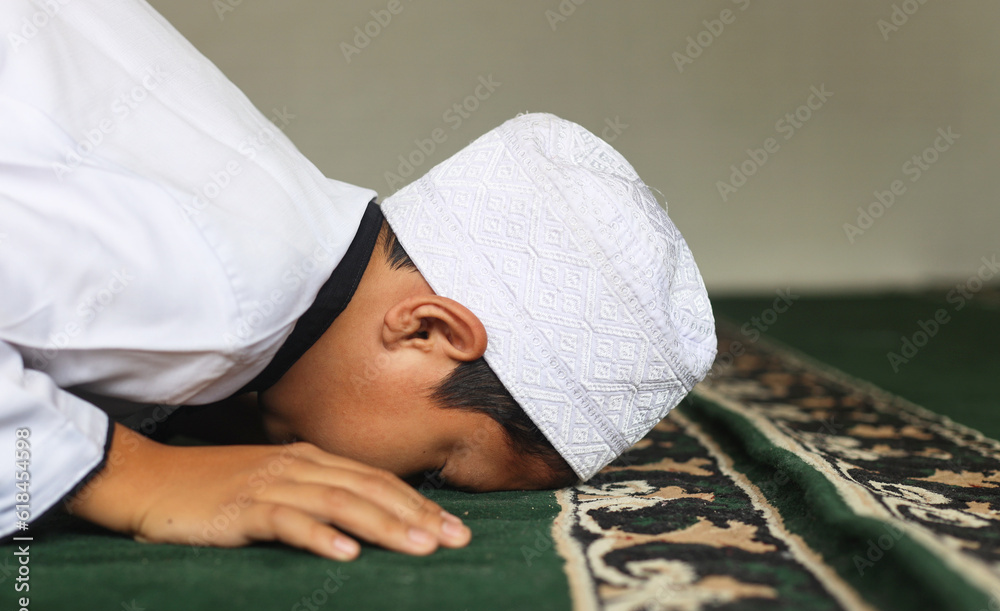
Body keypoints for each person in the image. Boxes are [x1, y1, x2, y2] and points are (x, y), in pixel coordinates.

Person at [0, 0, 716, 561]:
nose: (397, 485)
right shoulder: (224, 305)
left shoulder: (266, 217)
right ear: (428, 328)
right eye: (438, 468)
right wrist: (119, 471)